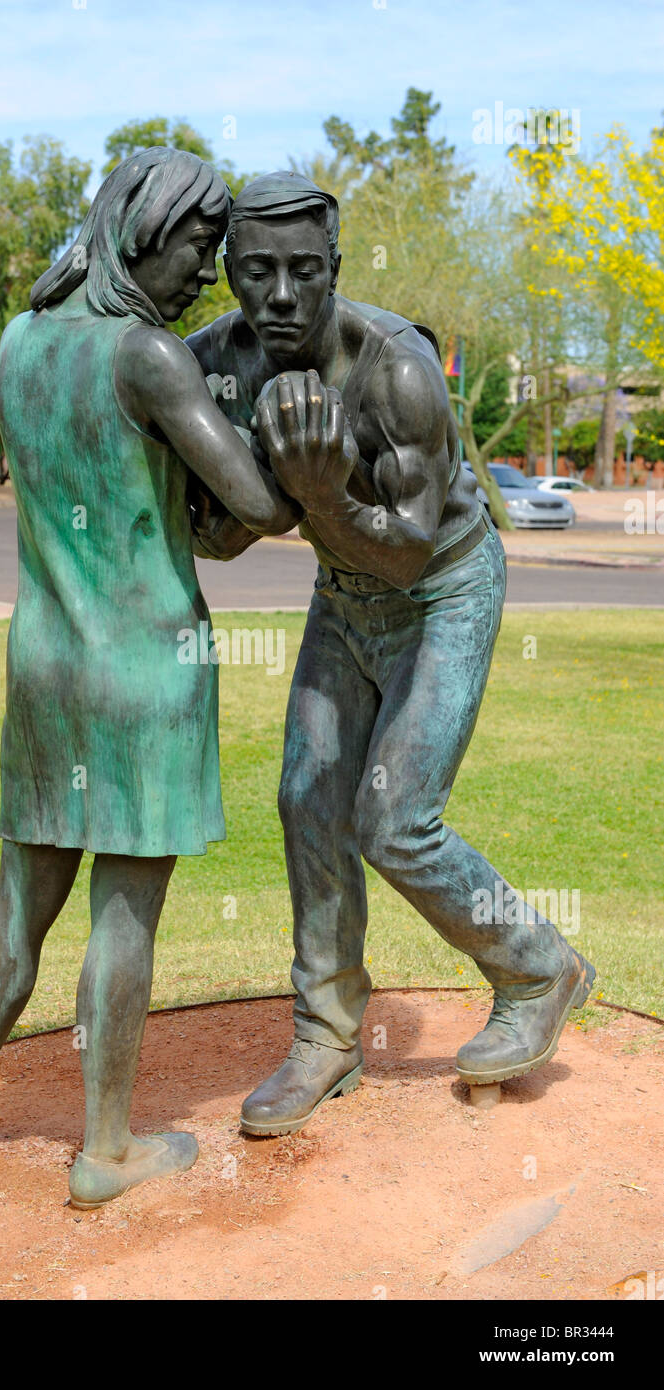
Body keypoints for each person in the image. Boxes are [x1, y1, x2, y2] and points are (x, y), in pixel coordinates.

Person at [0, 150, 334, 1206]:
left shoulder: (18, 341)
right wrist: (293, 437)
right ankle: (106, 1148)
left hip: (44, 660)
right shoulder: (147, 355)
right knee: (123, 911)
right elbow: (259, 503)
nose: (207, 273)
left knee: (19, 897)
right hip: (146, 669)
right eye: (199, 245)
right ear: (145, 227)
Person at [187, 171, 596, 1136]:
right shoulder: (215, 362)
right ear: (231, 276)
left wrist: (319, 496)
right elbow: (213, 526)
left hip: (443, 588)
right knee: (306, 799)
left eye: (301, 271)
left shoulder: (397, 368)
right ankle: (326, 1036)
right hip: (343, 595)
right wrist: (254, 496)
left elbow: (410, 546)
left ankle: (538, 967)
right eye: (254, 274)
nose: (278, 296)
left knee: (393, 817)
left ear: (333, 266)